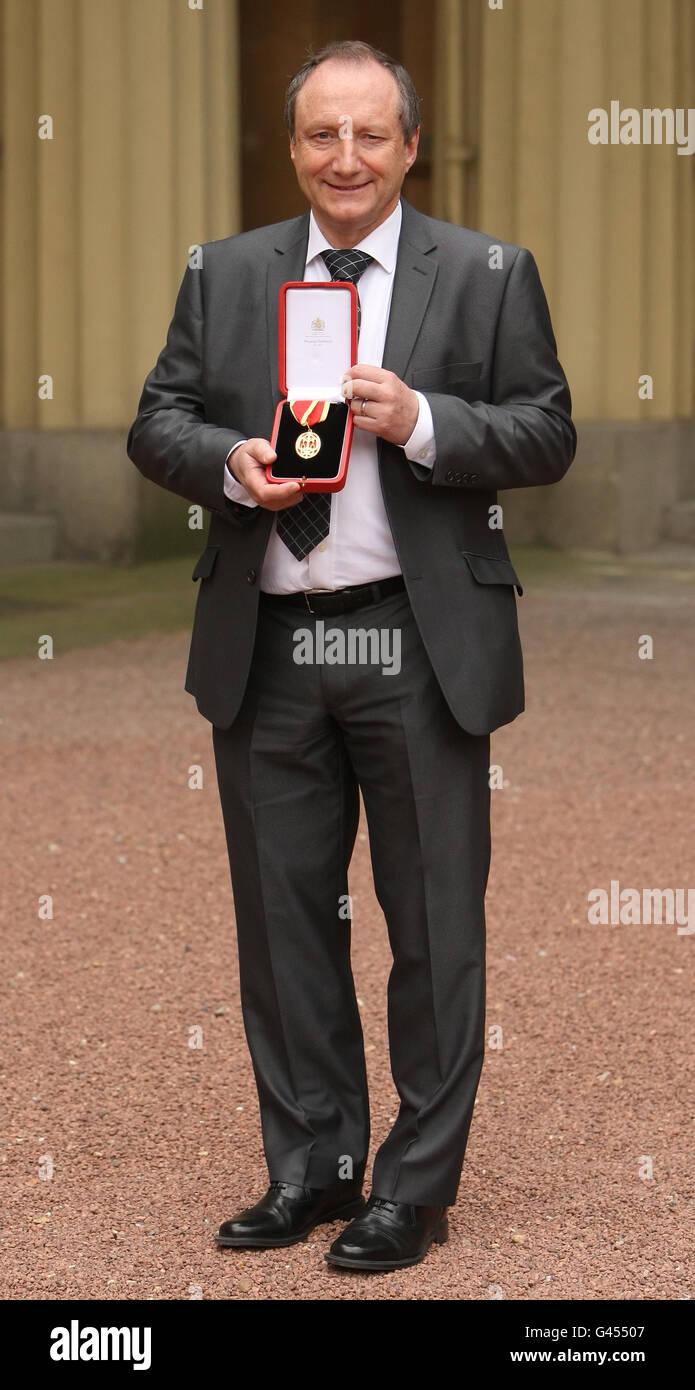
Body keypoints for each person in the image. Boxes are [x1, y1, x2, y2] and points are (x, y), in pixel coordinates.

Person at [127, 39, 576, 1273]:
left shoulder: (487, 274)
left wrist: (421, 421)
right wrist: (230, 465)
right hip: (267, 636)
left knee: (432, 926)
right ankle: (314, 1172)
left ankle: (411, 1189)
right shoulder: (223, 275)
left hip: (420, 641)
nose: (346, 158)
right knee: (283, 926)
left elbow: (546, 430)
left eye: (370, 134)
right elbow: (156, 418)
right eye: (322, 134)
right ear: (293, 148)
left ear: (409, 146)